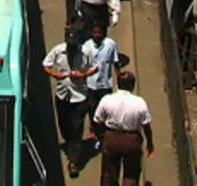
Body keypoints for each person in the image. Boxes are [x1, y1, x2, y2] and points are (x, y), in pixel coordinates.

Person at [43, 29, 98, 179]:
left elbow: (95, 67)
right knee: (64, 125)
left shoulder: (86, 52)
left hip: (79, 97)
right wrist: (55, 75)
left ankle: (74, 161)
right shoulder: (58, 51)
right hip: (62, 95)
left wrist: (83, 75)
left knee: (76, 128)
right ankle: (69, 144)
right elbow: (46, 64)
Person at [93, 70, 154, 186]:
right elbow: (146, 126)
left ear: (118, 85)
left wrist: (101, 136)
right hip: (132, 140)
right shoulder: (139, 102)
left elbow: (97, 120)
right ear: (132, 86)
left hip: (111, 138)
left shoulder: (107, 99)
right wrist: (150, 143)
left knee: (109, 174)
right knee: (131, 174)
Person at [85, 24, 119, 123]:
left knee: (107, 108)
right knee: (92, 108)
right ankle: (93, 128)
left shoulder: (110, 44)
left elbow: (115, 62)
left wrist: (119, 77)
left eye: (99, 32)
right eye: (95, 33)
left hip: (105, 84)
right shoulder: (87, 46)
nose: (97, 35)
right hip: (91, 85)